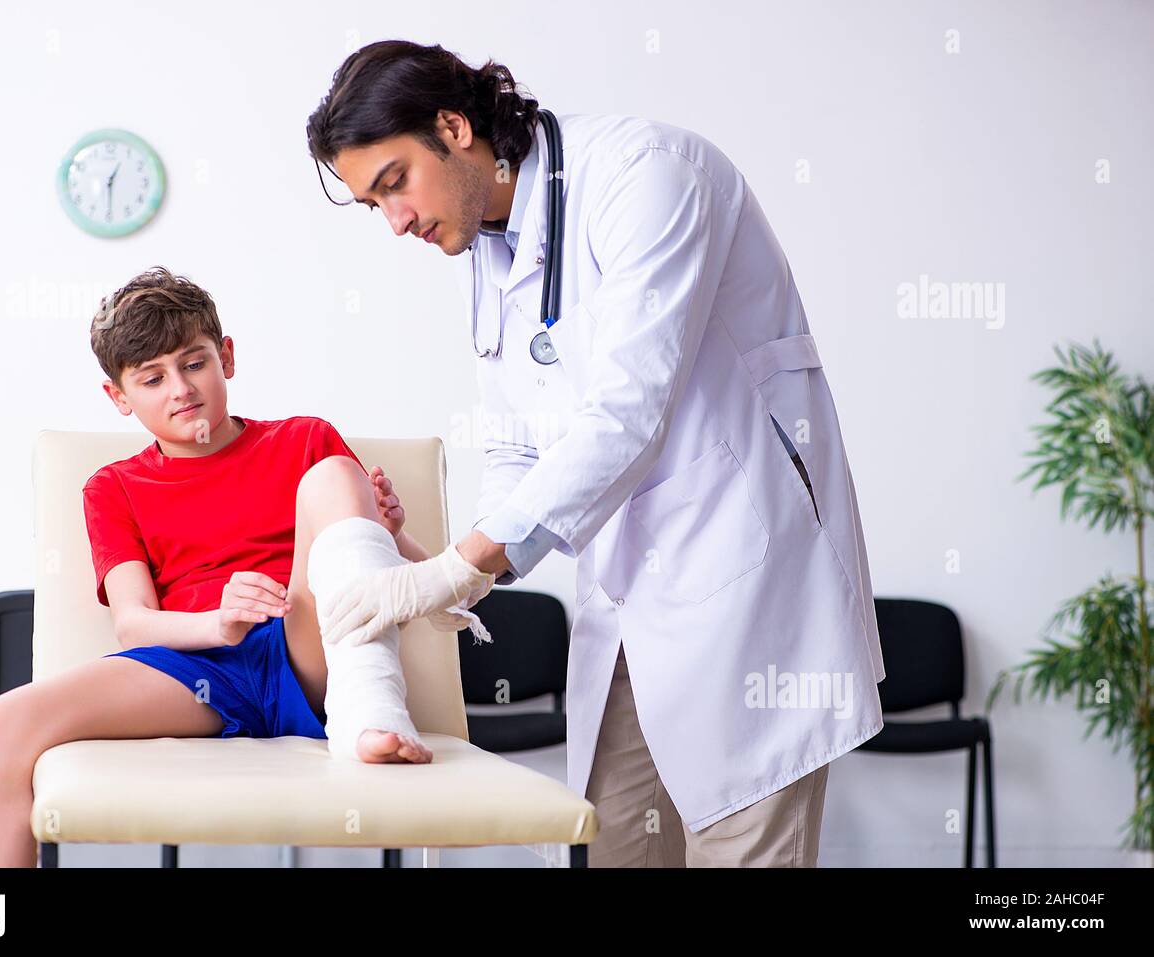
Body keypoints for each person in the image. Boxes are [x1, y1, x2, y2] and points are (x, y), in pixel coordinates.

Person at [305, 40, 886, 867]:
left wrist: (461, 566)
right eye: (374, 204)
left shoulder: (649, 174)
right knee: (615, 843)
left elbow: (627, 412)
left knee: (741, 851)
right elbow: (516, 445)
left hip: (744, 590)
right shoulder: (490, 249)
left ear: (453, 126)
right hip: (622, 604)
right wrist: (456, 568)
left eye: (395, 181)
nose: (396, 221)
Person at [0, 266, 485, 867]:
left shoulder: (304, 439)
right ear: (119, 397)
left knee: (336, 477)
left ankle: (366, 718)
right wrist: (218, 623)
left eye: (193, 363)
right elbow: (134, 623)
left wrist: (388, 536)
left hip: (307, 644)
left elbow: (435, 597)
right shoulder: (113, 487)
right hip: (193, 666)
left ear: (226, 357)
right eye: (151, 378)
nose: (180, 389)